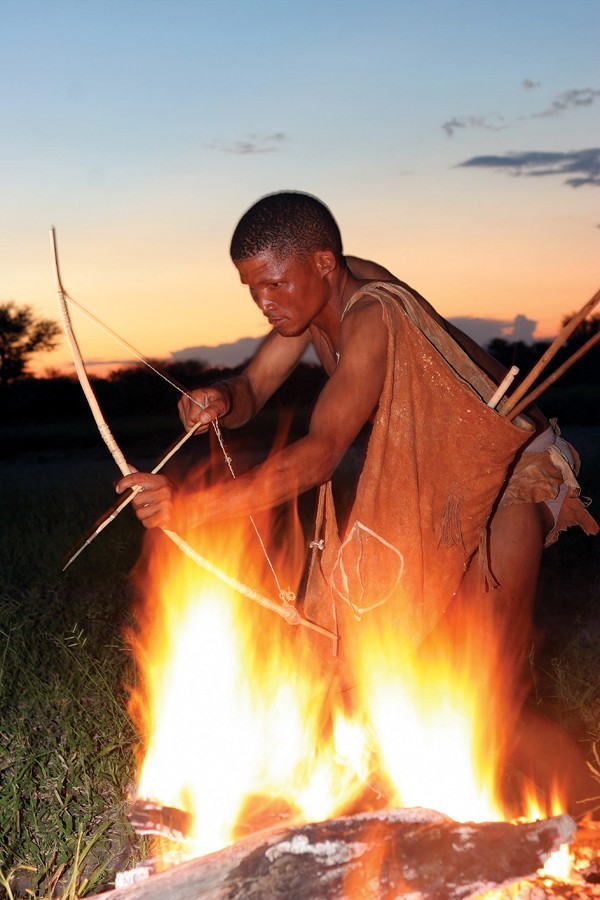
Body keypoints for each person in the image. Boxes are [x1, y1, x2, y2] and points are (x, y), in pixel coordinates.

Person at [116, 192, 597, 662]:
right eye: (252, 288)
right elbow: (252, 388)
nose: (262, 301)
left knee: (484, 668)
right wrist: (220, 397)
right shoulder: (311, 300)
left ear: (323, 263)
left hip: (512, 468)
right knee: (400, 654)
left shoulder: (370, 315)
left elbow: (323, 452)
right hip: (442, 479)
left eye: (274, 284)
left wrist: (195, 508)